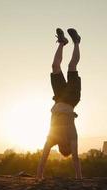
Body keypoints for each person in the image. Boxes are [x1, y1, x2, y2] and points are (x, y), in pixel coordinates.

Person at [36, 28, 82, 179]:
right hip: (71, 99)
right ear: (67, 146)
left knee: (55, 67)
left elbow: (43, 157)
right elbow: (75, 158)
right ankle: (76, 42)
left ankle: (62, 43)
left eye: (63, 147)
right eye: (65, 147)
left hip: (59, 97)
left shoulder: (52, 137)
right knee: (71, 67)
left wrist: (39, 176)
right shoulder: (72, 136)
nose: (63, 145)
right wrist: (79, 177)